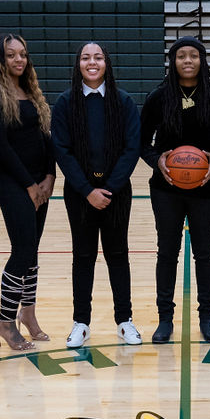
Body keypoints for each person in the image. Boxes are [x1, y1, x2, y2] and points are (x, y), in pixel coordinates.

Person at [140, 35, 210, 343]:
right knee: (167, 253)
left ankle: (206, 316)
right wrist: (159, 160)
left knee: (204, 253)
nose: (187, 61)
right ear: (173, 61)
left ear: (202, 61)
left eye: (193, 56)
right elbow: (142, 144)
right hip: (166, 188)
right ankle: (165, 319)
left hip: (206, 189)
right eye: (181, 55)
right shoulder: (158, 98)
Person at [50, 42, 143, 347]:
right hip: (80, 194)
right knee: (83, 256)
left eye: (98, 57)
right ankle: (81, 322)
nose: (92, 62)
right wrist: (88, 190)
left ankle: (125, 321)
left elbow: (132, 149)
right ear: (78, 64)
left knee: (118, 255)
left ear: (107, 63)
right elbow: (62, 151)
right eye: (86, 57)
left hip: (116, 194)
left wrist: (110, 189)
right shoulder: (66, 103)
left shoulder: (123, 102)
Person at [0, 33, 55, 351]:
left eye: (22, 54)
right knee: (22, 251)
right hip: (13, 181)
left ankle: (29, 315)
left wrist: (51, 176)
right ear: (0, 59)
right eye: (11, 55)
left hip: (40, 180)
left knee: (33, 252)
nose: (19, 60)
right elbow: (2, 147)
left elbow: (46, 137)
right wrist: (28, 185)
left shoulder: (32, 91)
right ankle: (5, 321)